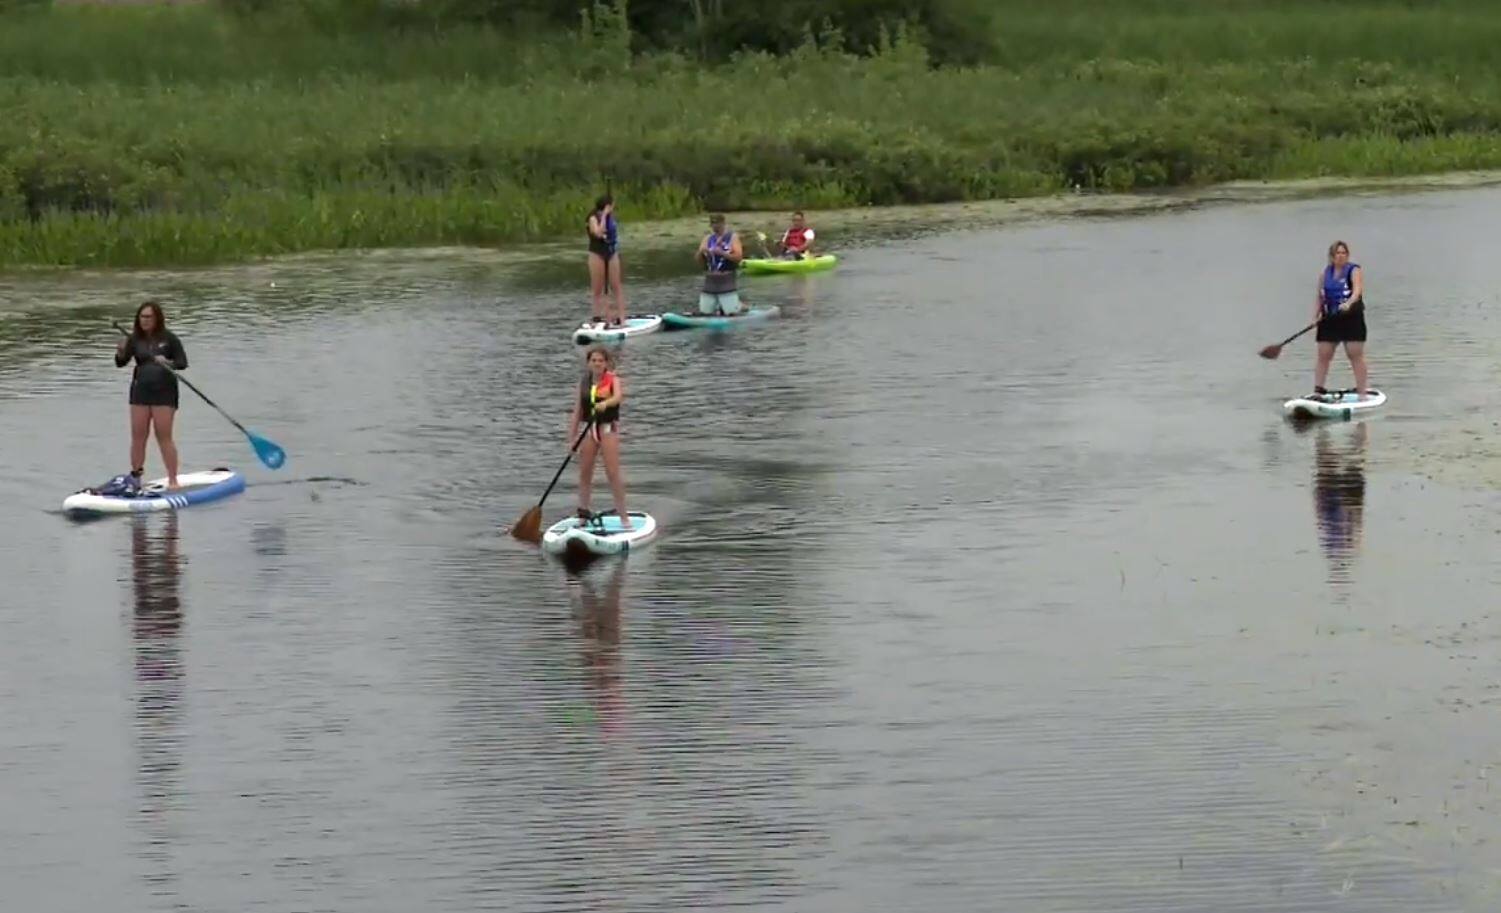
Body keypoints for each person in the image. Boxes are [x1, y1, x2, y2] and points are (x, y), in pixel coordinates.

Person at [115, 300, 188, 490]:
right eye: (142, 317)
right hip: (140, 391)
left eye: (148, 317)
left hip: (164, 392)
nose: (145, 320)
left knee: (163, 436)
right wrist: (121, 352)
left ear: (157, 318)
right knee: (138, 436)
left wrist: (168, 362)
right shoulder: (134, 339)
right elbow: (121, 363)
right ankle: (136, 478)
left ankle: (173, 480)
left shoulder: (169, 338)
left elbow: (182, 362)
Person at [568, 345, 630, 529]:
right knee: (585, 473)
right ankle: (583, 514)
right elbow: (577, 412)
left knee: (613, 473)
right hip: (589, 430)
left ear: (606, 363)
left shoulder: (612, 380)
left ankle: (624, 517)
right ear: (588, 363)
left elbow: (618, 397)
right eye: (593, 360)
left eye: (600, 361)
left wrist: (606, 403)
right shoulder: (584, 382)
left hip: (607, 428)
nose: (597, 364)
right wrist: (571, 439)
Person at [1312, 239, 1369, 401]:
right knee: (1324, 353)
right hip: (1330, 318)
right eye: (1338, 253)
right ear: (1332, 256)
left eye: (1344, 253)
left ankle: (1362, 392)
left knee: (1354, 354)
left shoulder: (1354, 270)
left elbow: (1357, 290)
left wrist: (1349, 303)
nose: (1341, 256)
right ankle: (1318, 390)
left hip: (1351, 318)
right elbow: (1319, 297)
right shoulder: (1325, 273)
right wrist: (1315, 317)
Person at [586, 194, 627, 327]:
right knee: (599, 288)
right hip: (597, 253)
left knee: (616, 286)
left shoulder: (612, 218)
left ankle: (621, 318)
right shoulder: (593, 217)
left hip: (611, 252)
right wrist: (604, 215)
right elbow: (598, 232)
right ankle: (599, 317)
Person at [696, 213, 743, 315]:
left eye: (717, 224)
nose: (715, 226)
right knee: (704, 313)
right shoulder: (707, 239)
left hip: (726, 280)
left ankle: (738, 306)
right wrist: (701, 252)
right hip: (710, 281)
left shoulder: (732, 238)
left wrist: (723, 253)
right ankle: (716, 308)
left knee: (731, 313)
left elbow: (738, 257)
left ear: (723, 224)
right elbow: (699, 260)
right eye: (712, 224)